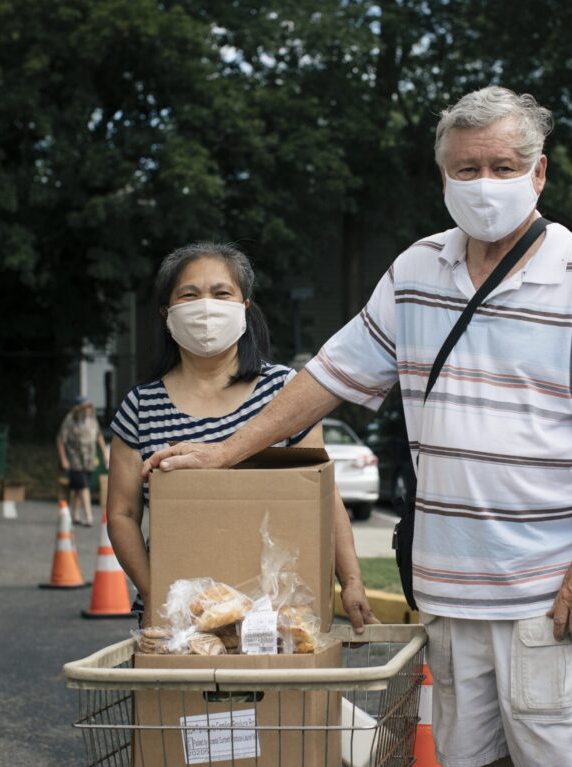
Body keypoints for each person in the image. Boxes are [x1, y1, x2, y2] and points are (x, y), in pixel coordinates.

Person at [144, 87, 572, 767]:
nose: (486, 184)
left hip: (552, 593)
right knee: (467, 757)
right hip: (451, 596)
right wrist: (226, 451)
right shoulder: (418, 270)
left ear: (539, 173)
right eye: (467, 168)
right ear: (443, 176)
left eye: (505, 167)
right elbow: (327, 377)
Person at [107, 242, 377, 631]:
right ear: (167, 312)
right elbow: (123, 514)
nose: (206, 307)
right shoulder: (140, 407)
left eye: (221, 293)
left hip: (281, 614)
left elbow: (324, 495)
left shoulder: (285, 392)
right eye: (189, 295)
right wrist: (155, 595)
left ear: (245, 306)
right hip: (179, 618)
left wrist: (351, 581)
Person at [56, 396, 109, 527]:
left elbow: (99, 436)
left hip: (89, 459)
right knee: (83, 486)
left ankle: (75, 514)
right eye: (85, 407)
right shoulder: (70, 420)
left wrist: (104, 453)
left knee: (78, 488)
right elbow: (60, 440)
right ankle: (89, 515)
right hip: (75, 459)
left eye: (89, 407)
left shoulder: (92, 420)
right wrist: (63, 459)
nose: (88, 410)